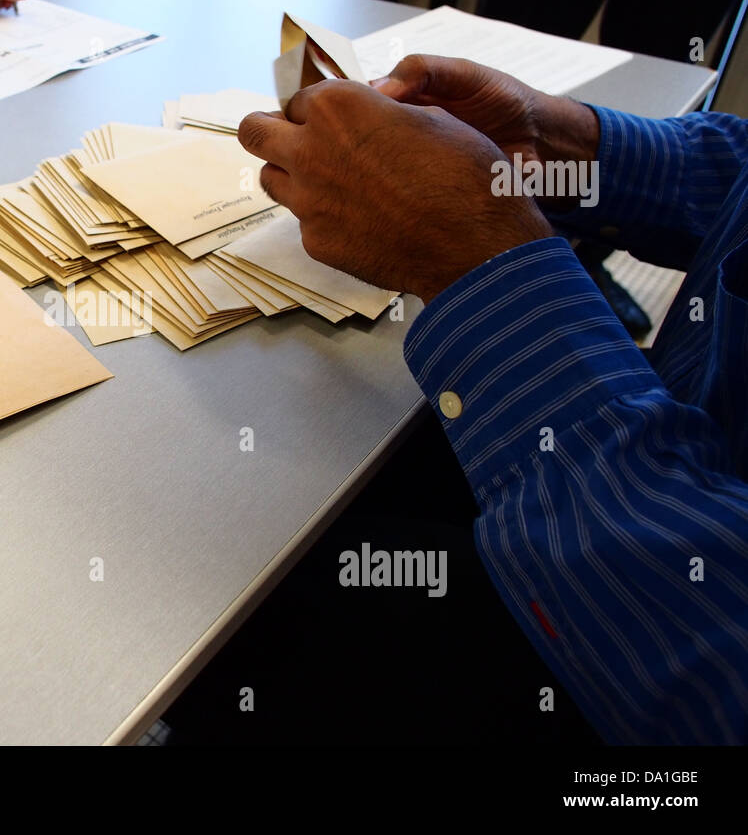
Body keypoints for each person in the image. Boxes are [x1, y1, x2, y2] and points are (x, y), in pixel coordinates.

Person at [235, 56, 748, 744]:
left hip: (629, 631)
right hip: (649, 447)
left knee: (243, 595)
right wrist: (559, 141)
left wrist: (474, 245)